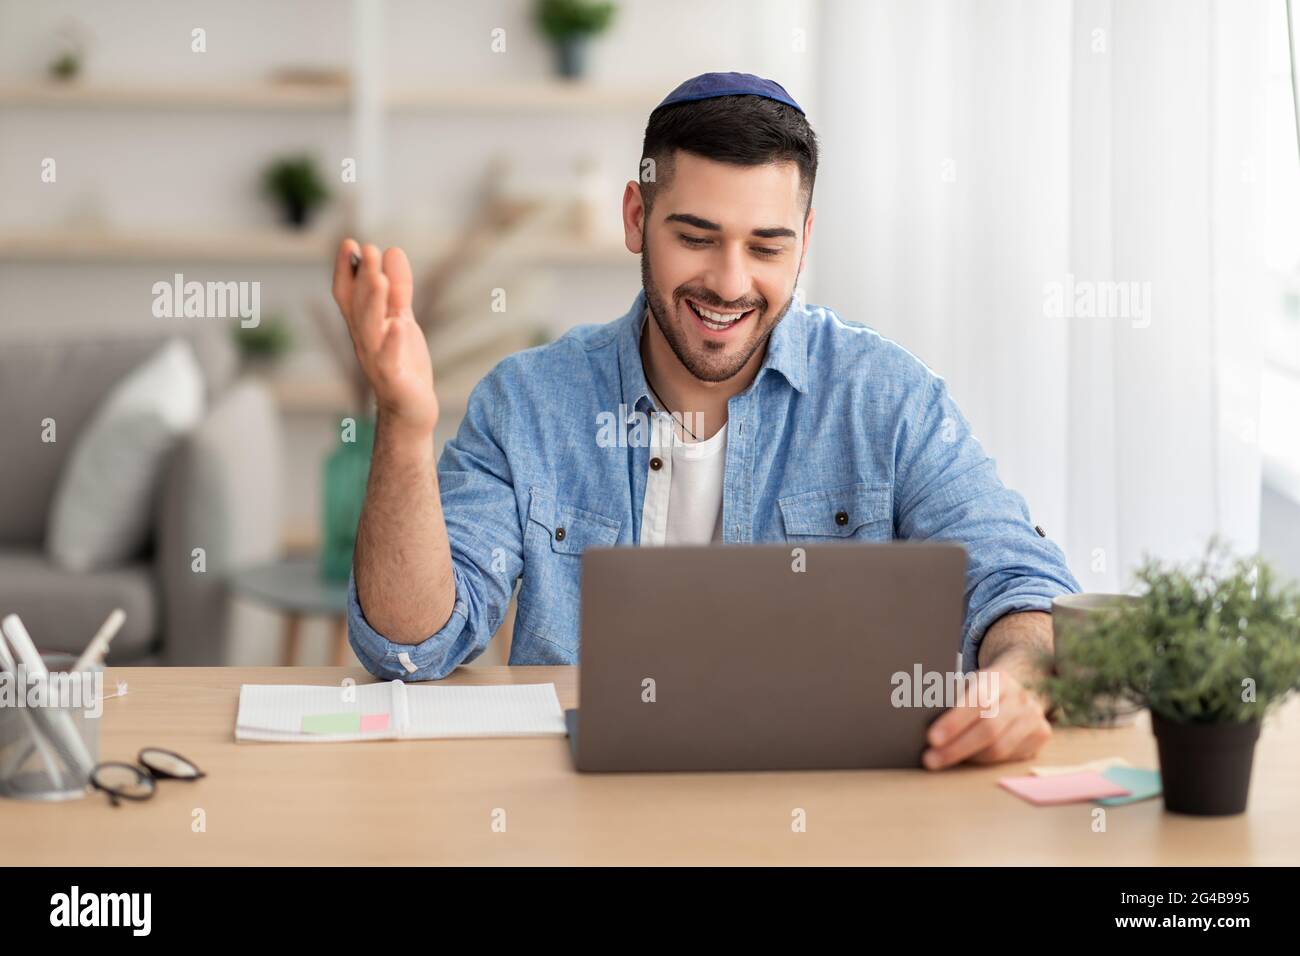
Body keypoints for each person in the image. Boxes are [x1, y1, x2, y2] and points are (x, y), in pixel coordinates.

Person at [330, 72, 1080, 769]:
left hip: (833, 817)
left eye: (766, 247)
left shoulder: (888, 398)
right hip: (588, 813)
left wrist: (1020, 680)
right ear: (637, 217)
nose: (729, 282)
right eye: (696, 238)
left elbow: (1020, 582)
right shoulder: (527, 402)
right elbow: (410, 645)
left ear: (804, 243)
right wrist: (402, 421)